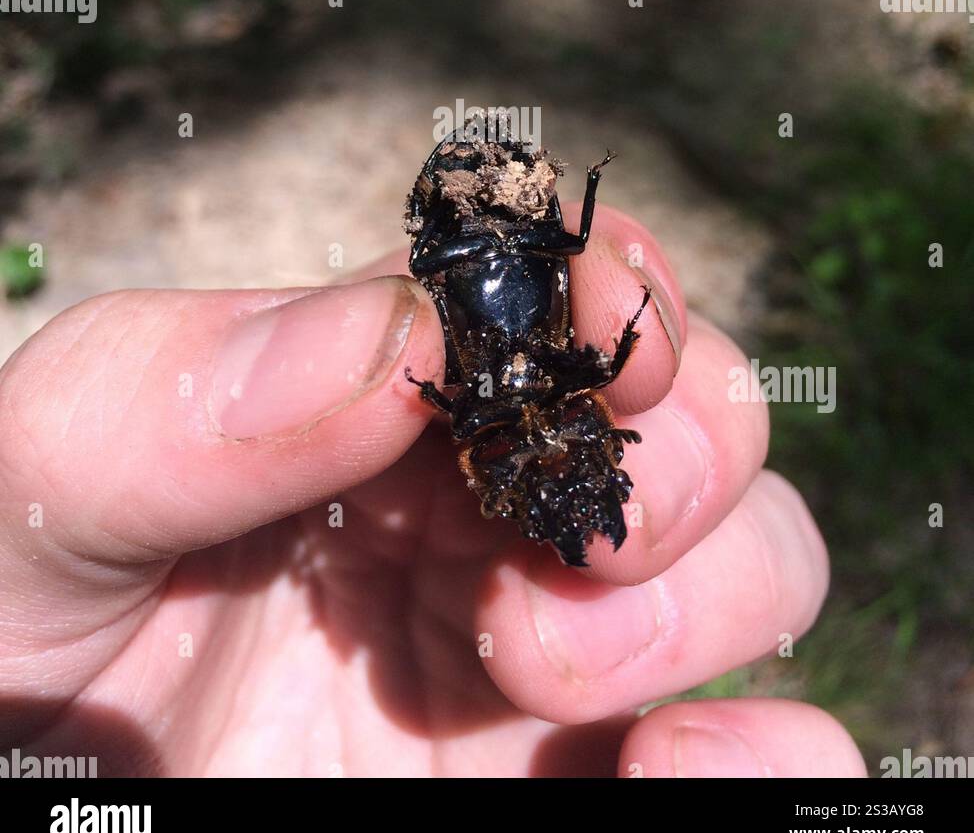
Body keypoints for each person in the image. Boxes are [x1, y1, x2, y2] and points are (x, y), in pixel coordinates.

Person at [0, 203, 865, 778]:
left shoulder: (537, 414)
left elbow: (585, 364)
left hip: (505, 353)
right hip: (506, 342)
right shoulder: (529, 389)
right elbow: (586, 353)